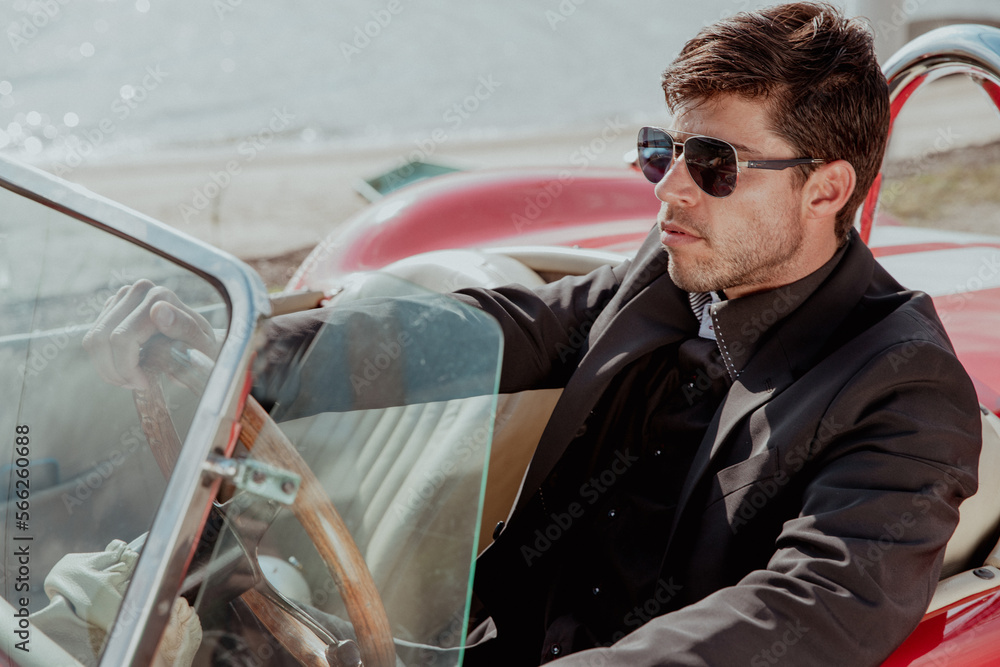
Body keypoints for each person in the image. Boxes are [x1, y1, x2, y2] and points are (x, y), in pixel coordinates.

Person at [84, 3, 981, 665]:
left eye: (712, 166)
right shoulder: (675, 267)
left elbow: (808, 610)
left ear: (826, 190)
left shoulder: (904, 385)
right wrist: (242, 354)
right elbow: (501, 326)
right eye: (663, 153)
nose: (667, 191)